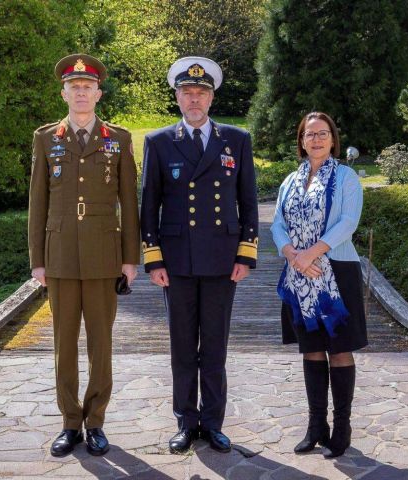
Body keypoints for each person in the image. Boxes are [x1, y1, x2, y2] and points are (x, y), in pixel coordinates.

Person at [140, 56, 259, 454]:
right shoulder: (159, 142)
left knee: (215, 345)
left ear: (211, 98)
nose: (195, 99)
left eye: (201, 92)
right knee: (181, 345)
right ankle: (185, 422)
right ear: (177, 97)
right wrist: (153, 258)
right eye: (188, 92)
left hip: (223, 259)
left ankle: (213, 423)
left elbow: (248, 200)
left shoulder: (236, 139)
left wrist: (246, 254)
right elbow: (148, 204)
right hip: (176, 262)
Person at [27, 53, 139, 457]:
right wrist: (36, 259)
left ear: (98, 93)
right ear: (64, 93)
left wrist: (130, 259)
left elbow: (129, 201)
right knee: (63, 343)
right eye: (73, 87)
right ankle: (69, 422)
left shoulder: (119, 140)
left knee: (100, 342)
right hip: (58, 257)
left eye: (87, 86)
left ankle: (96, 421)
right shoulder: (46, 139)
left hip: (102, 255)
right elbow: (37, 203)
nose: (80, 92)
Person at [271, 111, 366, 458]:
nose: (316, 139)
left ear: (332, 138)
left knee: (339, 349)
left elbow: (348, 222)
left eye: (322, 133)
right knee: (311, 348)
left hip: (337, 269)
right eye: (309, 134)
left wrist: (312, 253)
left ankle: (341, 428)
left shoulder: (346, 177)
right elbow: (277, 225)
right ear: (301, 140)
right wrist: (292, 254)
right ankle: (316, 426)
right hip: (299, 276)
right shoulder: (289, 181)